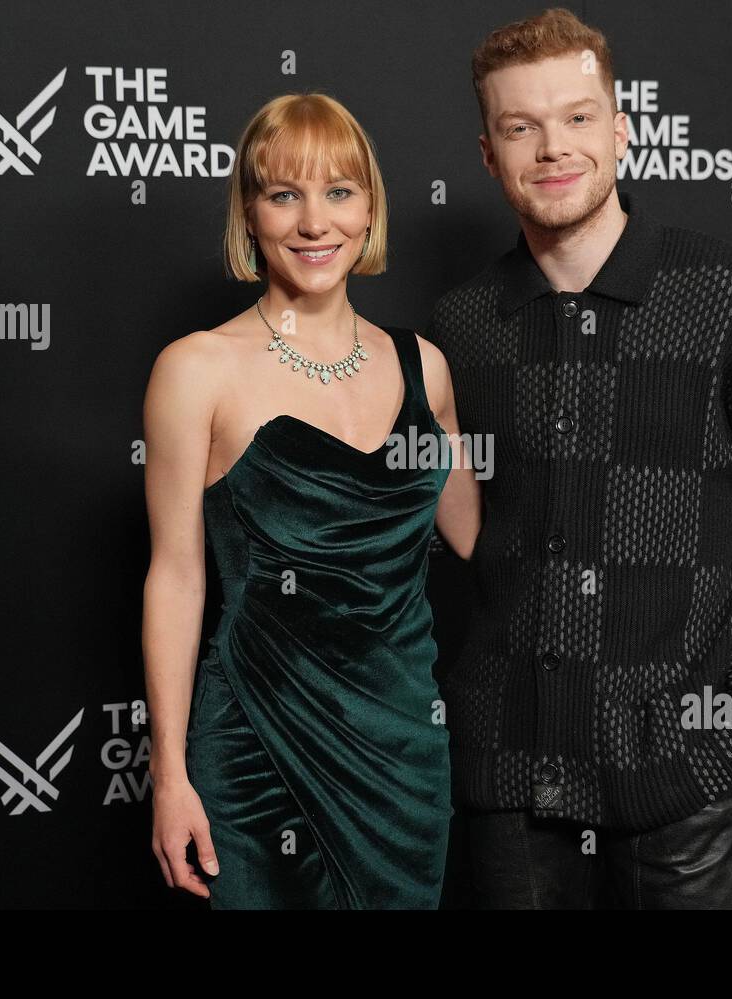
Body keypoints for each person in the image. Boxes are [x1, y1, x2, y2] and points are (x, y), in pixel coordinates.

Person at [423, 8, 732, 908]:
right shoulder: (455, 328)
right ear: (486, 153)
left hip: (678, 777)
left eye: (578, 118)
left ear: (622, 130)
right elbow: (445, 529)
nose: (553, 147)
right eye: (520, 126)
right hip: (508, 773)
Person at [141, 93, 481, 908]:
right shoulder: (196, 369)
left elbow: (474, 535)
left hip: (403, 758)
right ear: (249, 214)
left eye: (339, 191)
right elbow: (178, 579)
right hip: (256, 745)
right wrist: (168, 777)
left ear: (369, 210)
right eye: (283, 194)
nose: (313, 222)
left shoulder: (423, 368)